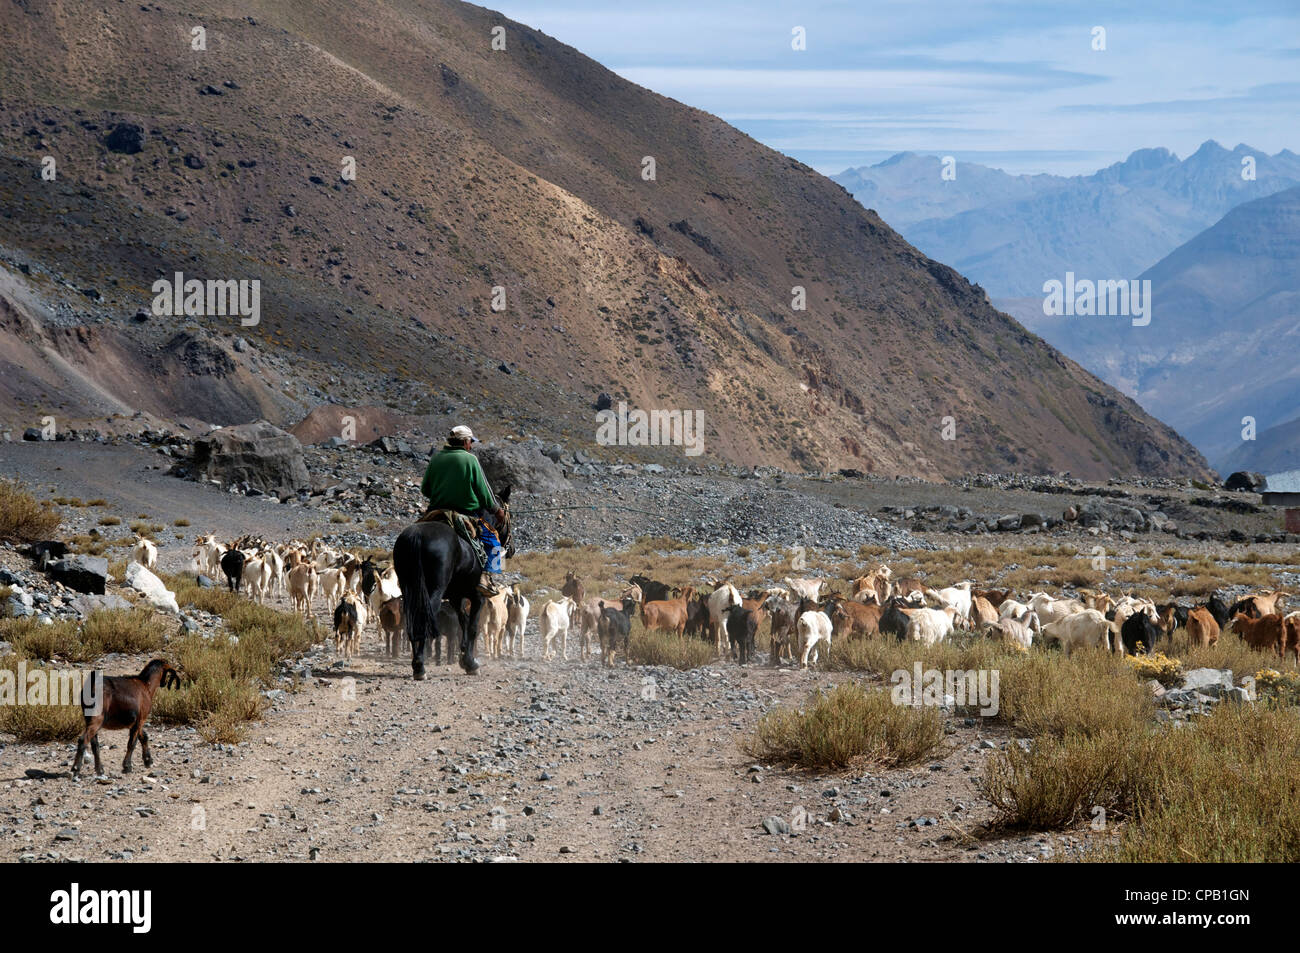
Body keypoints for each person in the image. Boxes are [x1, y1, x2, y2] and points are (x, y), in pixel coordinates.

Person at [420, 425, 506, 595]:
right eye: (470, 442)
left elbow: (425, 489)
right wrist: (496, 510)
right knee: (493, 539)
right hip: (466, 513)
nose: (471, 445)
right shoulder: (470, 459)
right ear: (465, 442)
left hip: (436, 511)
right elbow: (484, 494)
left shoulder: (436, 458)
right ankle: (487, 578)